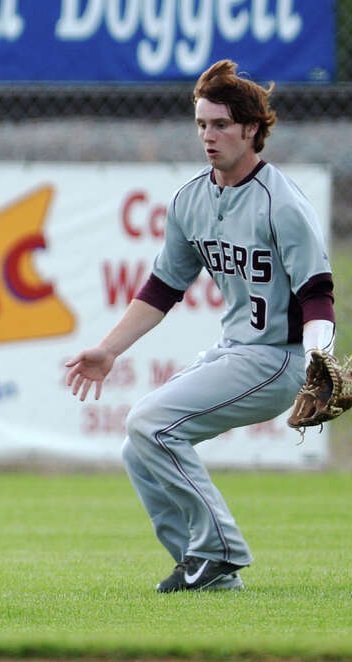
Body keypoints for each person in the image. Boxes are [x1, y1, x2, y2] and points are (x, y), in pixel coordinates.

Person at [63, 59, 336, 593]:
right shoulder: (191, 199)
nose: (208, 136)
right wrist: (109, 349)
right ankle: (201, 568)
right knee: (138, 444)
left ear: (252, 129)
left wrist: (319, 360)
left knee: (150, 423)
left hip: (277, 359)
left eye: (220, 125)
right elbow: (163, 287)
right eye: (201, 125)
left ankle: (219, 551)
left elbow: (317, 294)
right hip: (236, 349)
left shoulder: (282, 204)